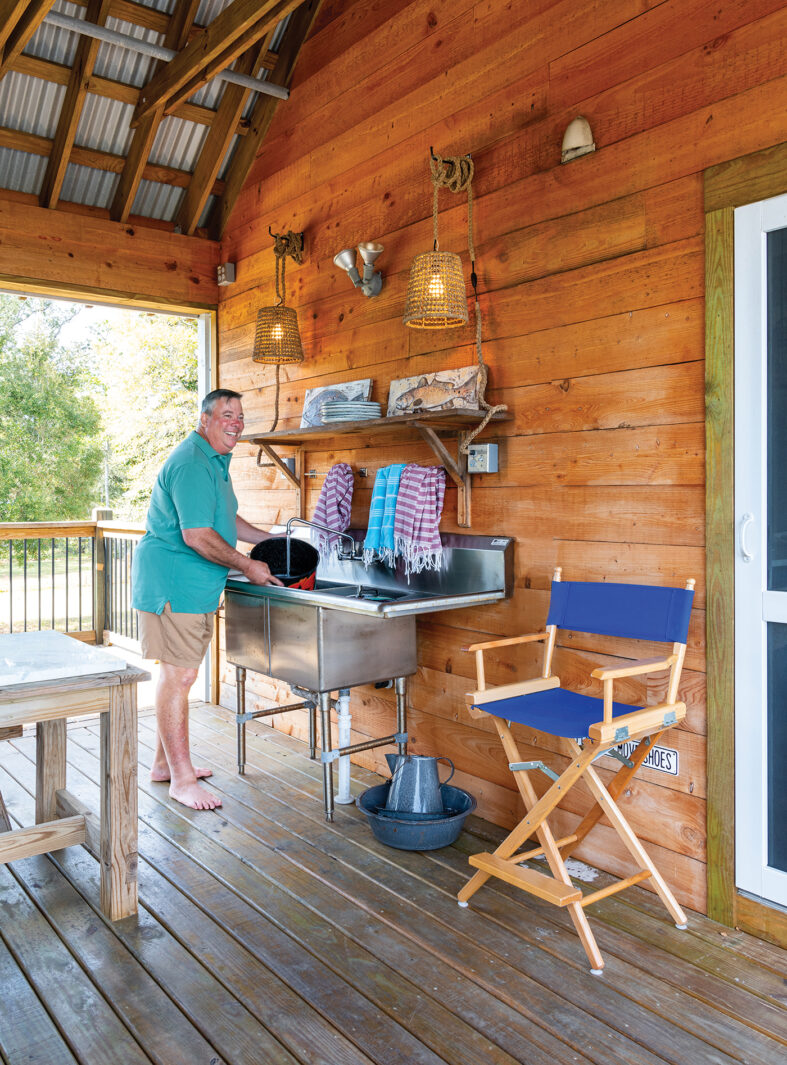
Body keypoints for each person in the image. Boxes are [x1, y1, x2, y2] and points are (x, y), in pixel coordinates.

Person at [132, 388, 282, 811]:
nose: (235, 423)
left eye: (239, 416)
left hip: (193, 586)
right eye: (226, 415)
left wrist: (268, 538)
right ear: (205, 420)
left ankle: (165, 766)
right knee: (177, 678)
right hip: (173, 584)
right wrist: (249, 565)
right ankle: (181, 779)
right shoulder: (192, 462)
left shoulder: (216, 461)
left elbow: (222, 518)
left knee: (180, 676)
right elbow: (196, 535)